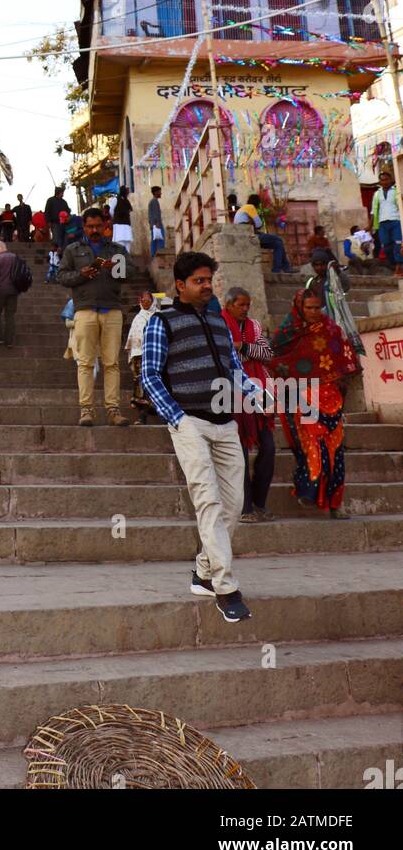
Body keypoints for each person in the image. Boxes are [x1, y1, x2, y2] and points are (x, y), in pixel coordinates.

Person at [141, 251, 266, 623]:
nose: (207, 285)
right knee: (208, 501)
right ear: (180, 285)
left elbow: (233, 364)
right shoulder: (160, 322)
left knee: (234, 505)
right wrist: (177, 419)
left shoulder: (217, 319)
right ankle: (225, 588)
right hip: (189, 422)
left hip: (226, 421)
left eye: (209, 279)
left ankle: (203, 571)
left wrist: (254, 391)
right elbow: (150, 375)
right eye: (199, 280)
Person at [270, 284, 359, 517]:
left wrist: (341, 379)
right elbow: (276, 359)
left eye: (318, 307)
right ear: (300, 307)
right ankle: (308, 492)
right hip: (302, 399)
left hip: (331, 398)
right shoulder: (287, 332)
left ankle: (335, 504)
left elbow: (344, 356)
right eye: (309, 307)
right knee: (312, 448)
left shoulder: (330, 329)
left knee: (335, 453)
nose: (314, 311)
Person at [57, 206, 131, 427]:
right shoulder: (72, 250)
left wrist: (115, 268)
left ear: (105, 225)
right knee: (85, 363)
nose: (94, 229)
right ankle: (86, 410)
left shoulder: (116, 250)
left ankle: (113, 410)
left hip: (112, 310)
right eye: (90, 226)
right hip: (85, 310)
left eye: (98, 226)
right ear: (84, 227)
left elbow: (131, 272)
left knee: (112, 363)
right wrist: (82, 274)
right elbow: (61, 276)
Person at [222, 287, 276, 523]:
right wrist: (242, 352)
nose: (245, 309)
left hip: (260, 391)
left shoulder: (254, 326)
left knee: (269, 448)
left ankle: (260, 502)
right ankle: (245, 508)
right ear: (229, 305)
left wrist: (243, 347)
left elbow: (267, 354)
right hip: (231, 392)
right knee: (240, 451)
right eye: (241, 305)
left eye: (247, 305)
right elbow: (224, 354)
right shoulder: (219, 325)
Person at [306, 247, 365, 356]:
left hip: (335, 318)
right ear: (313, 266)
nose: (319, 267)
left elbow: (346, 286)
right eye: (316, 265)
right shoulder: (311, 283)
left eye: (322, 264)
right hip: (318, 320)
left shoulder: (333, 279)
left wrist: (337, 272)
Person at [234, 193, 291, 274]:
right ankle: (280, 269)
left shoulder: (243, 208)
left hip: (245, 234)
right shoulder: (251, 207)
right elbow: (259, 224)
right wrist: (258, 216)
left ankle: (283, 268)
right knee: (278, 240)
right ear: (257, 203)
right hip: (250, 235)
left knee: (278, 242)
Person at [124, 291, 155, 416]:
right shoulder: (138, 317)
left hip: (153, 354)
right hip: (139, 354)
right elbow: (133, 336)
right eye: (143, 300)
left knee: (153, 381)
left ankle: (156, 408)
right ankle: (141, 414)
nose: (146, 303)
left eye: (148, 301)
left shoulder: (158, 316)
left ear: (152, 301)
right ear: (140, 301)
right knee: (140, 382)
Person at [371, 167, 402, 272]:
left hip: (396, 220)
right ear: (380, 181)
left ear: (391, 180)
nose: (384, 182)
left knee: (398, 244)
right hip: (382, 223)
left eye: (386, 179)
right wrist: (370, 225)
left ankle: (399, 266)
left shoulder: (397, 190)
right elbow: (373, 211)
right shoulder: (377, 194)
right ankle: (394, 264)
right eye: (382, 180)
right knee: (387, 246)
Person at [0, 239, 18, 348]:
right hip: (13, 291)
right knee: (10, 315)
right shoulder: (15, 258)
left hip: (0, 291)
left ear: (1, 248)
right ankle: (9, 341)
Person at [112, 186, 133, 252]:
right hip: (119, 226)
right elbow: (111, 210)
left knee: (127, 244)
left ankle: (127, 260)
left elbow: (129, 210)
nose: (128, 192)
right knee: (120, 244)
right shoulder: (116, 199)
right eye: (127, 191)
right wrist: (116, 217)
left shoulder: (126, 200)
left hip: (126, 225)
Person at [148, 186, 165, 258]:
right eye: (159, 192)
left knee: (154, 240)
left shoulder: (152, 201)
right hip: (157, 225)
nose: (161, 193)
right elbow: (155, 214)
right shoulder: (154, 201)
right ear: (156, 193)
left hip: (153, 225)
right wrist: (157, 223)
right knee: (160, 240)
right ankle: (160, 255)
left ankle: (153, 256)